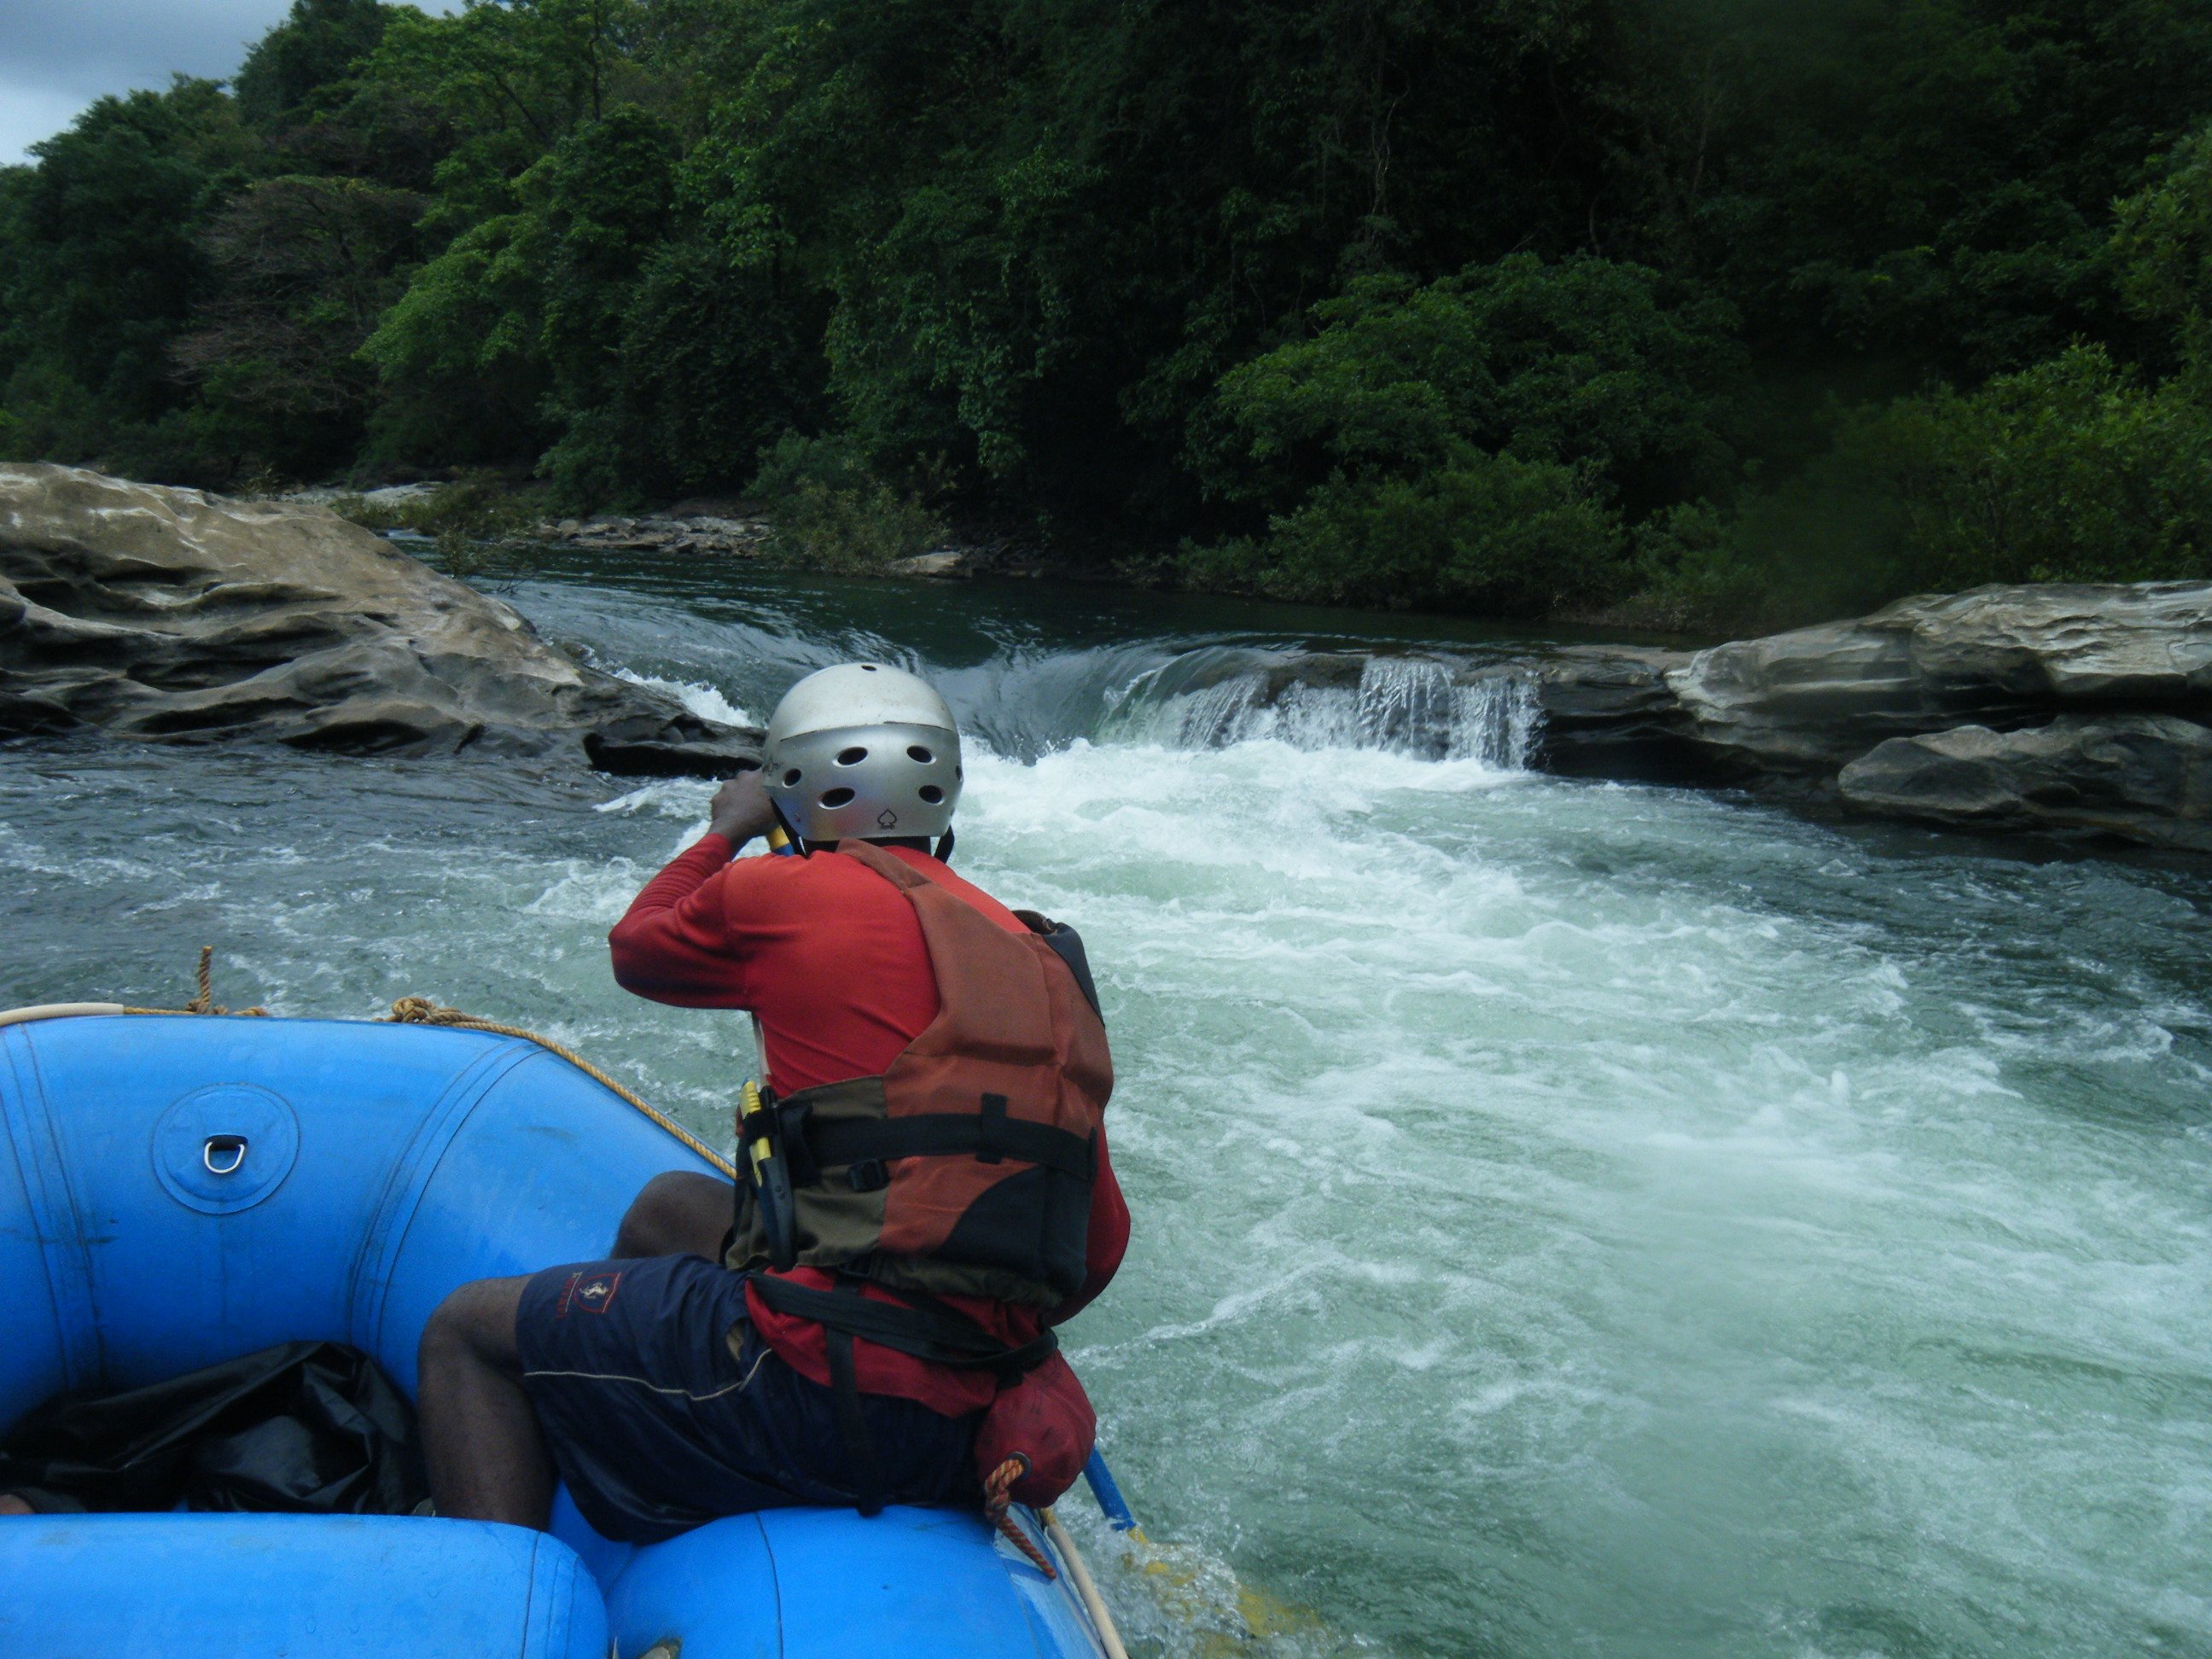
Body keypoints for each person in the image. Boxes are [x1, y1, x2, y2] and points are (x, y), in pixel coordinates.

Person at [416, 663, 1128, 1540]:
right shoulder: (1044, 955)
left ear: (794, 787)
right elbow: (1094, 1255)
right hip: (967, 1421)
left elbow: (637, 948)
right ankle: (616, 1410)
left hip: (821, 1400)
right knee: (668, 1210)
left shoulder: (776, 891)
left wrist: (728, 830)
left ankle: (505, 1608)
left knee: (464, 1332)